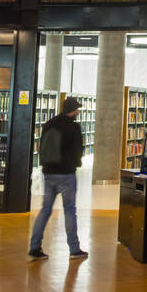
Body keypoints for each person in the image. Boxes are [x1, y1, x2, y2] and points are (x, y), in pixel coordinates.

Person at [28, 96, 89, 260]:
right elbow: (78, 150)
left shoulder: (49, 123)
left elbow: (42, 146)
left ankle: (34, 247)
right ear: (72, 110)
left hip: (48, 173)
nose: (78, 112)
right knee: (69, 210)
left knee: (45, 209)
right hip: (66, 174)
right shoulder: (74, 127)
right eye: (77, 109)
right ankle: (74, 249)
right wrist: (76, 163)